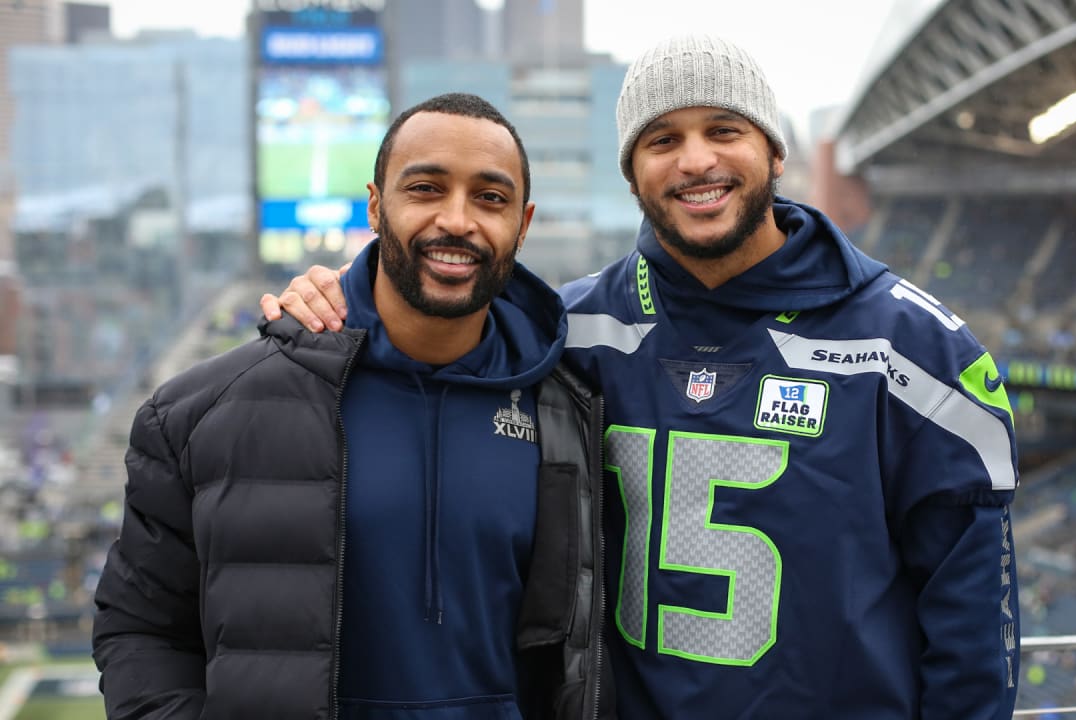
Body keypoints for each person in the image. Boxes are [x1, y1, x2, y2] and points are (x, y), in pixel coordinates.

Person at [264, 35, 1021, 719]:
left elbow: (971, 643)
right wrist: (337, 302)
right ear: (631, 171)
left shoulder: (917, 353)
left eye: (724, 130)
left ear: (775, 151)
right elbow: (426, 345)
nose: (695, 161)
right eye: (663, 139)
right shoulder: (566, 334)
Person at [93, 93, 614, 720]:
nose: (457, 219)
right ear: (375, 204)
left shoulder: (571, 408)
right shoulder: (204, 411)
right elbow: (140, 629)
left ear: (523, 223)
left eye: (490, 197)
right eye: (425, 188)